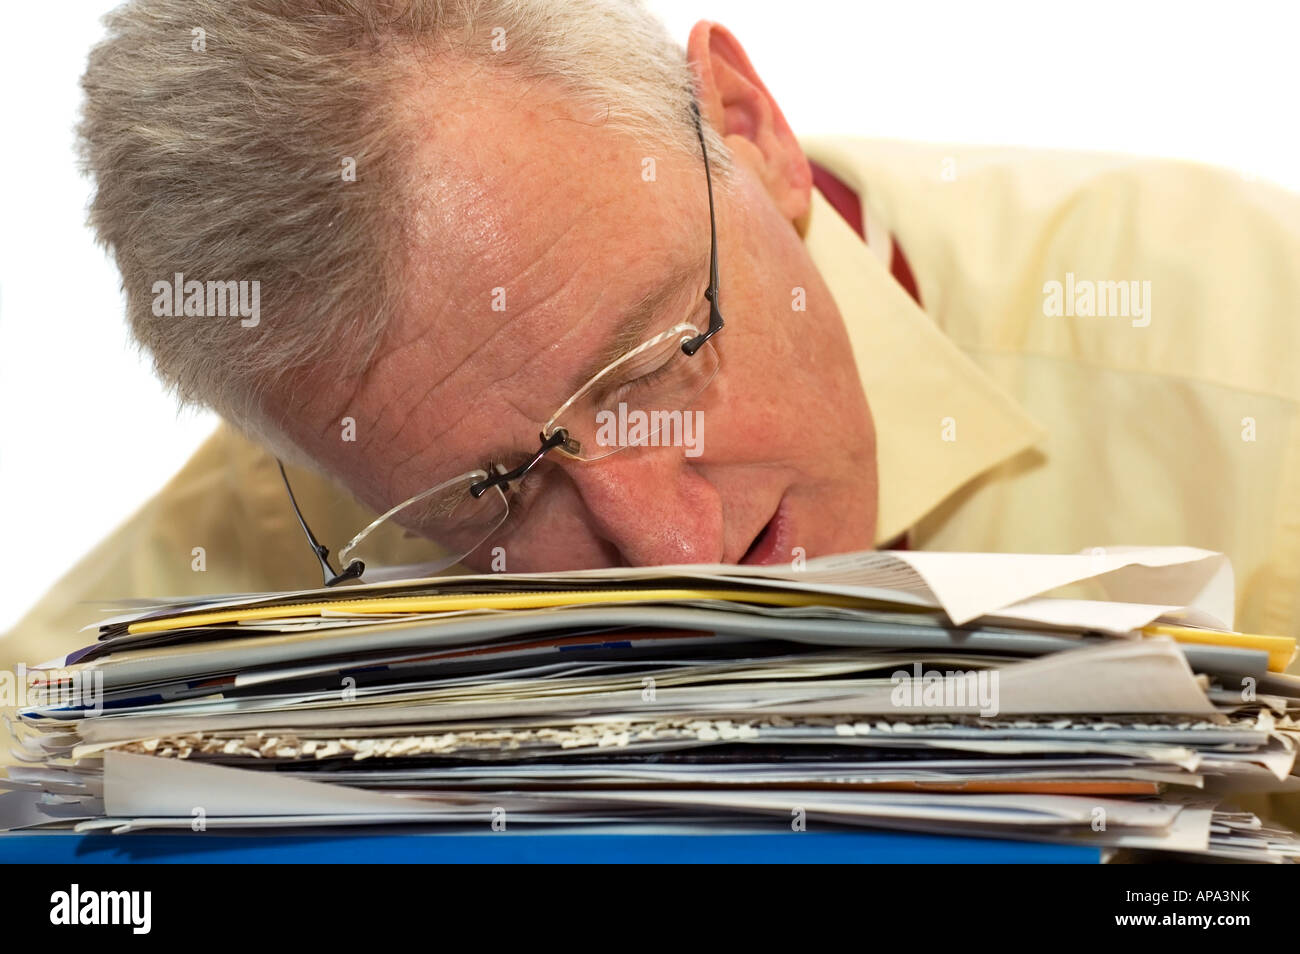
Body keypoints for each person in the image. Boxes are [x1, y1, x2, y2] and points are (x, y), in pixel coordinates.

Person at [6, 0, 1300, 680]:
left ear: (750, 125)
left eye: (657, 355)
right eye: (488, 497)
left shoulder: (1260, 358)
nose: (675, 552)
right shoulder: (280, 536)